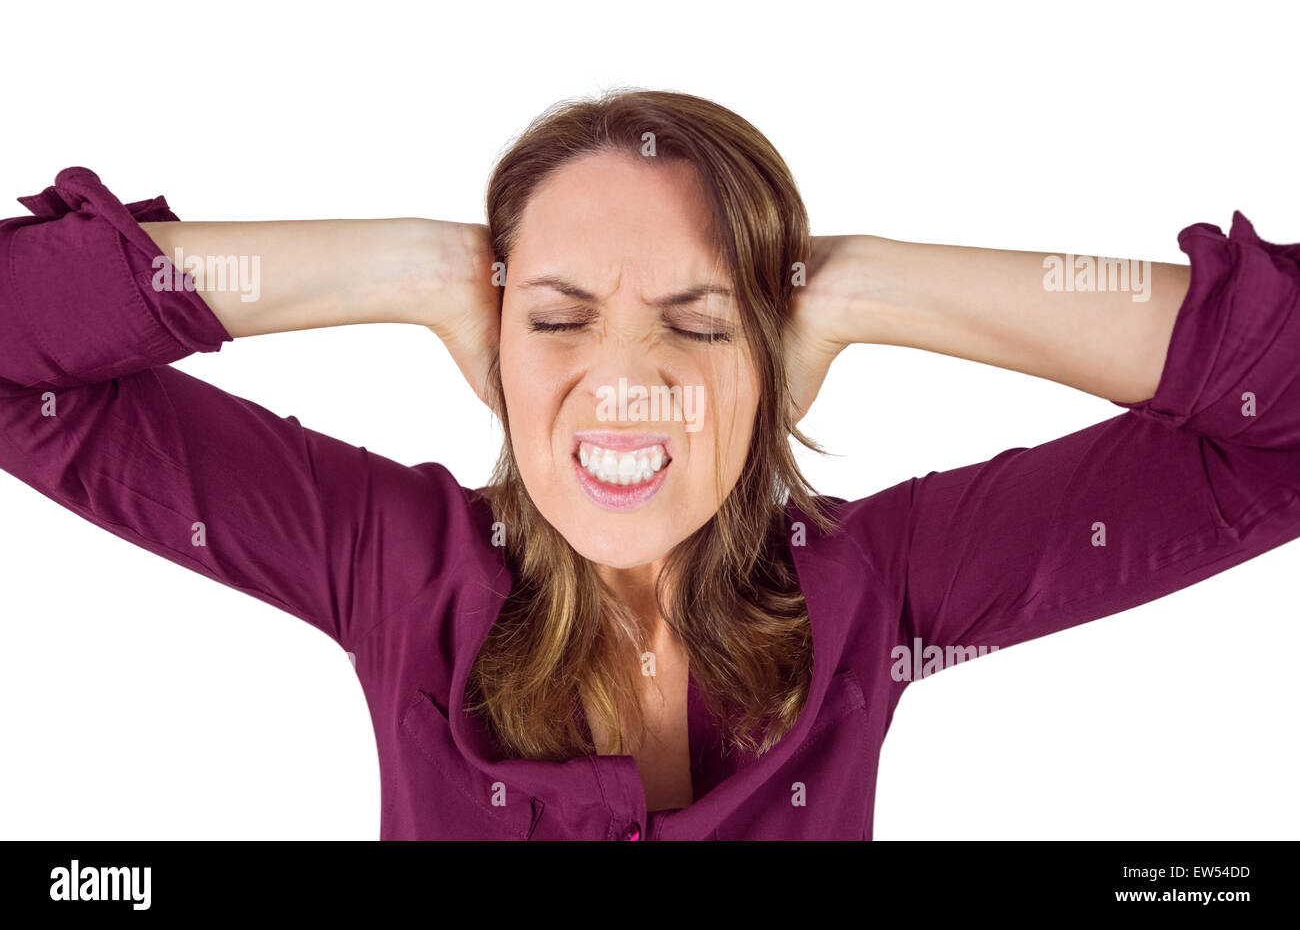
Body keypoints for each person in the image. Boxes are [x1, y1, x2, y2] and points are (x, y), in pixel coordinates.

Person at [2, 89, 1297, 840]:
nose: (623, 379)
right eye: (559, 318)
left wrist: (869, 286)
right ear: (490, 335)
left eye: (699, 319)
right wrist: (398, 266)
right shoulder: (391, 566)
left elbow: (1277, 435)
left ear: (774, 355)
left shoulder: (878, 592)